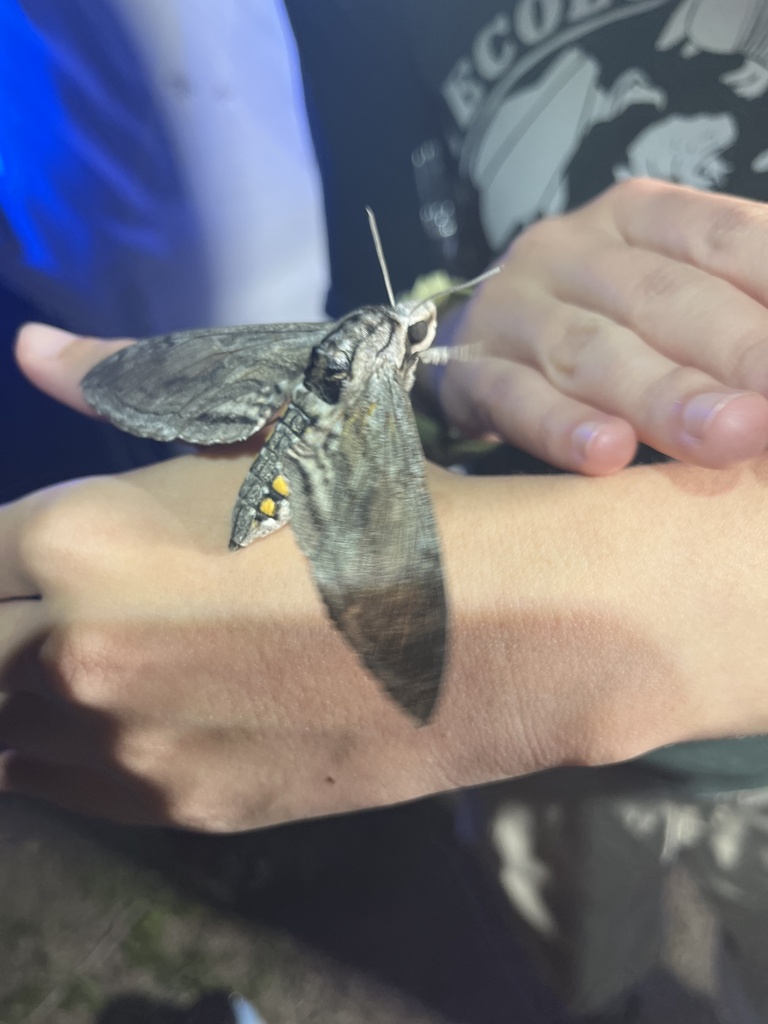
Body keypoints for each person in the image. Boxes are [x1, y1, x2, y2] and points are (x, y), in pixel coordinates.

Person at [5, 0, 768, 1016]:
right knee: (598, 958)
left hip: (622, 731)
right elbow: (409, 256)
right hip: (542, 778)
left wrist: (651, 603)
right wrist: (462, 339)